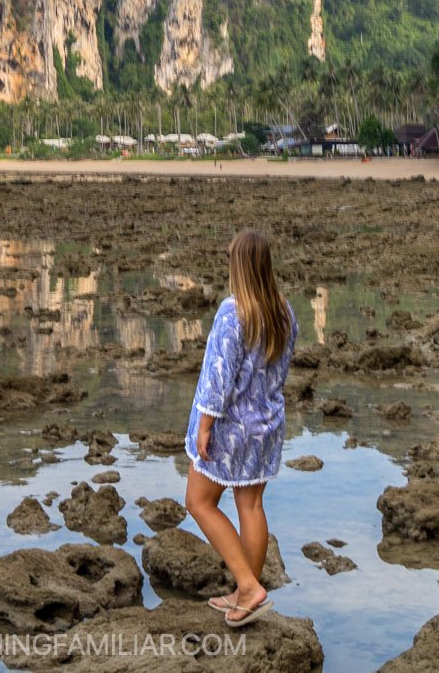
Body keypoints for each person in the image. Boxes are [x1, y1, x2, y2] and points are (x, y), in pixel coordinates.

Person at [183, 229, 297, 628]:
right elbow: (279, 371)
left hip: (232, 427)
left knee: (198, 502)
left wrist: (204, 426)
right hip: (268, 424)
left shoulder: (233, 312)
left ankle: (249, 587)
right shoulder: (284, 310)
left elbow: (219, 376)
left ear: (240, 267)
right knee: (250, 505)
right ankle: (244, 592)